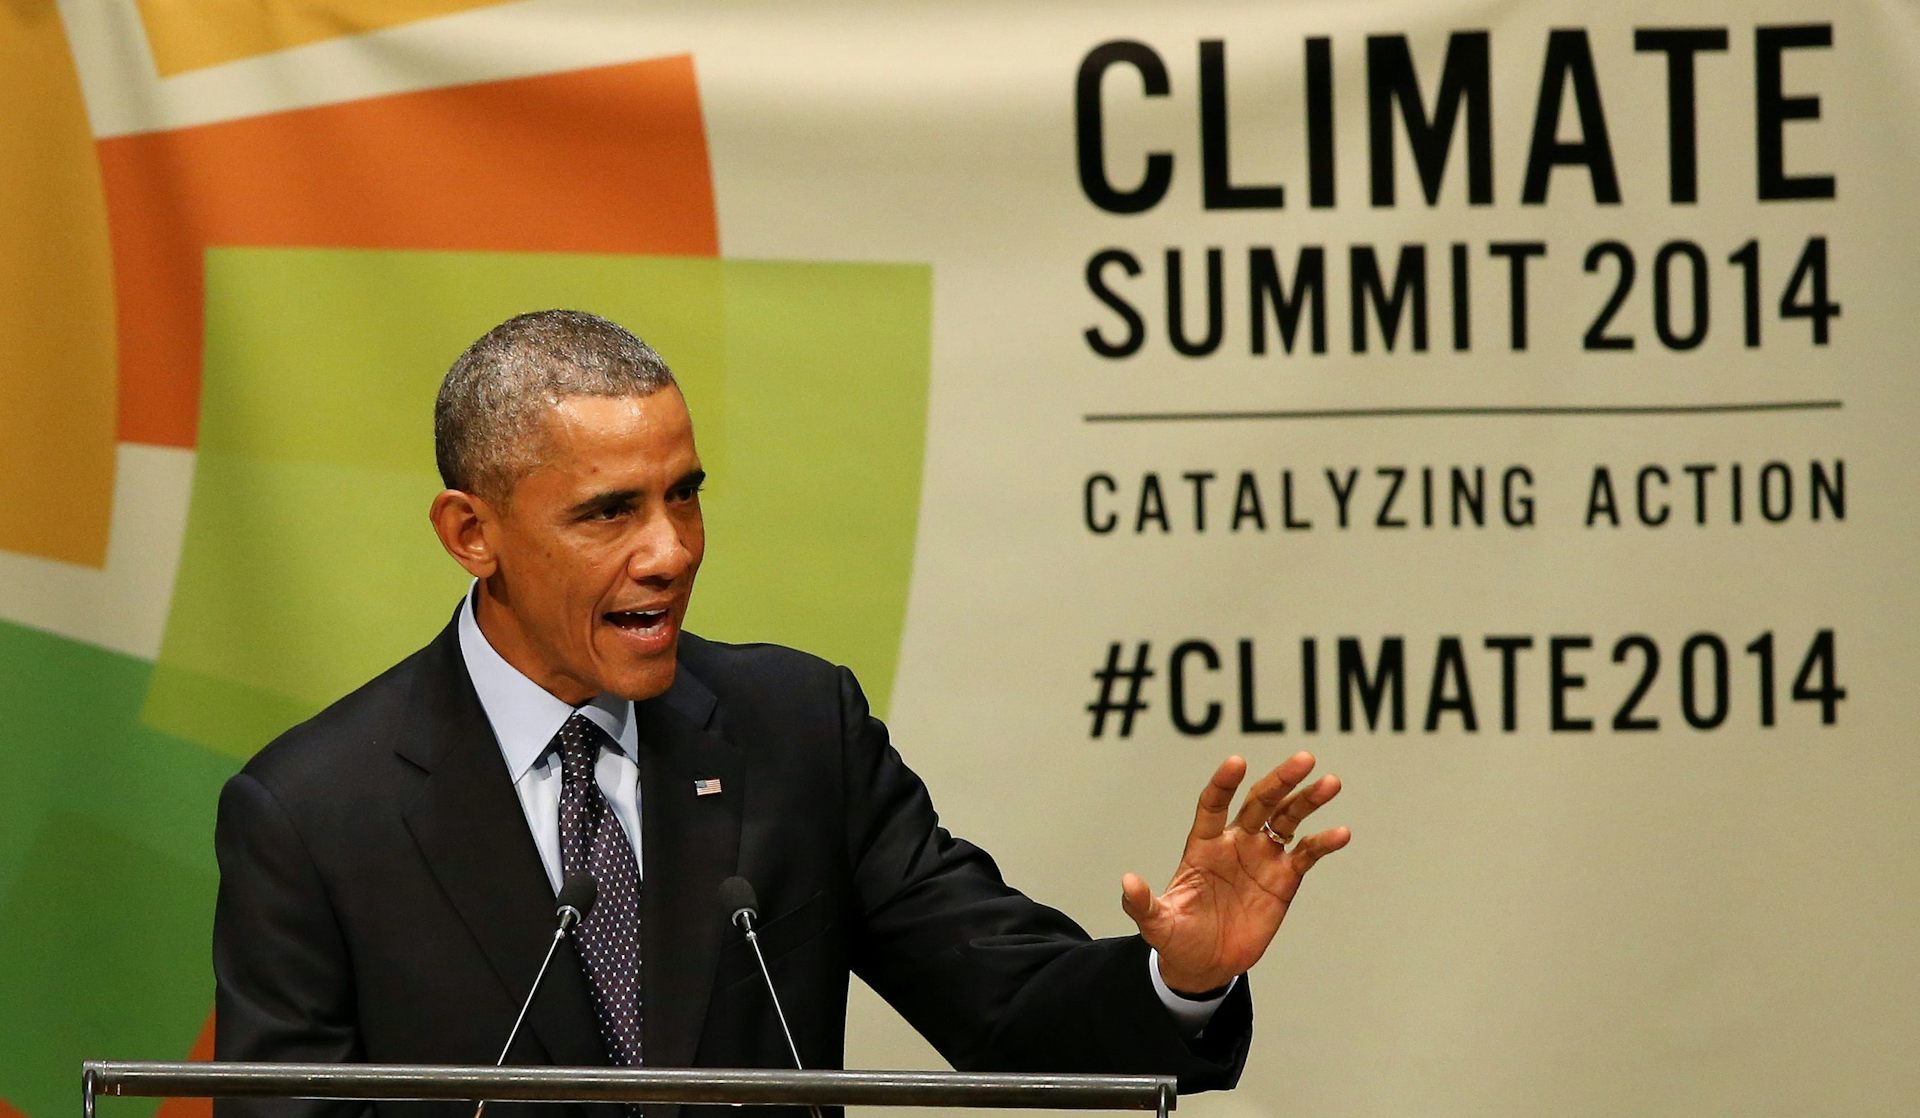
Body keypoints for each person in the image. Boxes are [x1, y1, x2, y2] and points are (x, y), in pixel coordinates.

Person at [211, 310, 1350, 1118]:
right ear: (471, 532)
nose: (671, 551)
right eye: (610, 512)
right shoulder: (313, 811)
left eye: (685, 494)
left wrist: (1181, 978)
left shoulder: (797, 728)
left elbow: (1005, 1004)